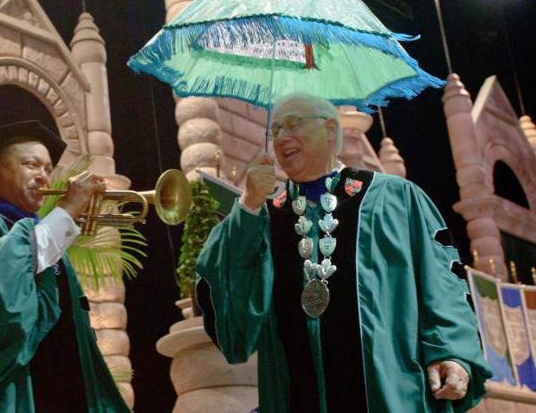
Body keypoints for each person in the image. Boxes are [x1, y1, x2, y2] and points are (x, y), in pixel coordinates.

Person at [195, 92, 492, 412]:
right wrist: (248, 205)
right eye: (276, 129)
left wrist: (451, 353)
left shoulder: (395, 199)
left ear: (331, 131)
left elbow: (442, 281)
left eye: (293, 124)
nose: (282, 137)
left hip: (387, 392)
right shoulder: (261, 218)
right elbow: (230, 314)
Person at [0, 120, 129, 413]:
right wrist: (67, 212)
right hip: (9, 391)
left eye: (48, 169)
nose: (44, 178)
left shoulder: (47, 232)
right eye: (31, 165)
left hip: (65, 388)